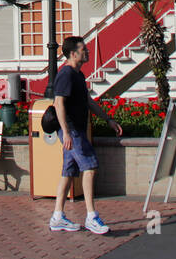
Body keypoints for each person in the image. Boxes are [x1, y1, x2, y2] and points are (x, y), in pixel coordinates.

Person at [50, 36, 122, 234]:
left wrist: (108, 119)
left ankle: (57, 217)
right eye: (84, 49)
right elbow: (58, 103)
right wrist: (65, 132)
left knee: (68, 172)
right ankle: (91, 216)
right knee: (89, 167)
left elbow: (88, 101)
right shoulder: (66, 74)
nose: (88, 52)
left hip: (75, 130)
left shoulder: (78, 75)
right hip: (72, 130)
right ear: (73, 54)